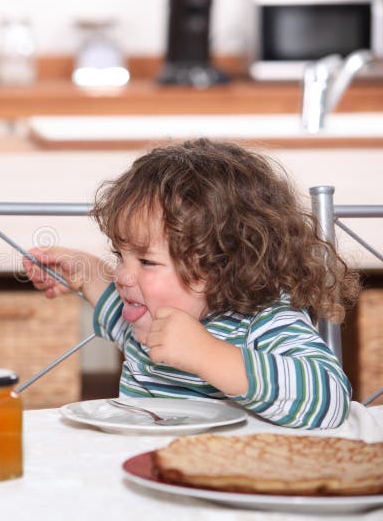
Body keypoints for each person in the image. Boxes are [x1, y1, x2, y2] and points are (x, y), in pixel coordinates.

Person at [24, 138, 359, 430]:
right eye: (119, 255)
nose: (123, 276)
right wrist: (84, 271)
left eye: (146, 261)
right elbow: (110, 299)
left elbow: (330, 399)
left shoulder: (262, 322)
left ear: (221, 265)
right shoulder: (145, 319)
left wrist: (209, 355)